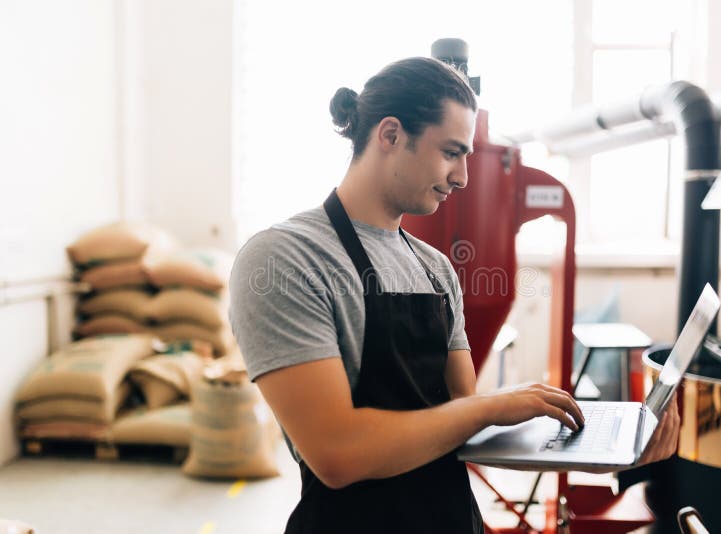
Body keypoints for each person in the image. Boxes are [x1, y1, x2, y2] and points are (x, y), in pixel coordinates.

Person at [229, 56, 680, 534]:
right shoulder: (285, 259)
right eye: (450, 152)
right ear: (390, 135)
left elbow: (463, 422)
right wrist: (491, 405)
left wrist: (604, 451)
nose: (463, 177)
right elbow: (337, 453)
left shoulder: (435, 267)